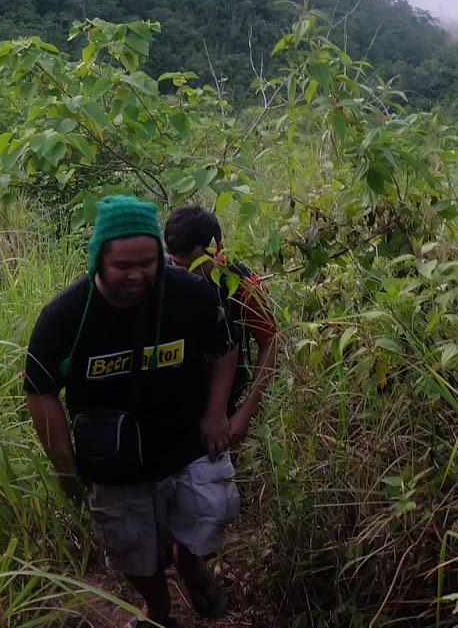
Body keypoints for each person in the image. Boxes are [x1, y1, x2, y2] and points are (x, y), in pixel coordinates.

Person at [25, 195, 238, 627]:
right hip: (115, 462)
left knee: (205, 518)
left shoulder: (190, 294)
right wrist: (65, 466)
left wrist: (216, 412)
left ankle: (191, 564)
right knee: (133, 553)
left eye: (148, 262)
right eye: (123, 266)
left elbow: (224, 347)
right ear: (98, 260)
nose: (138, 275)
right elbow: (41, 390)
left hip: (188, 443)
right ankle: (157, 607)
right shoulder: (66, 316)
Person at [162, 205, 280, 446]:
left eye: (196, 267)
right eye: (179, 266)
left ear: (218, 250)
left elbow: (270, 342)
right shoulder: (157, 273)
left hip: (224, 404)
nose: (186, 275)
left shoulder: (242, 284)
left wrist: (245, 413)